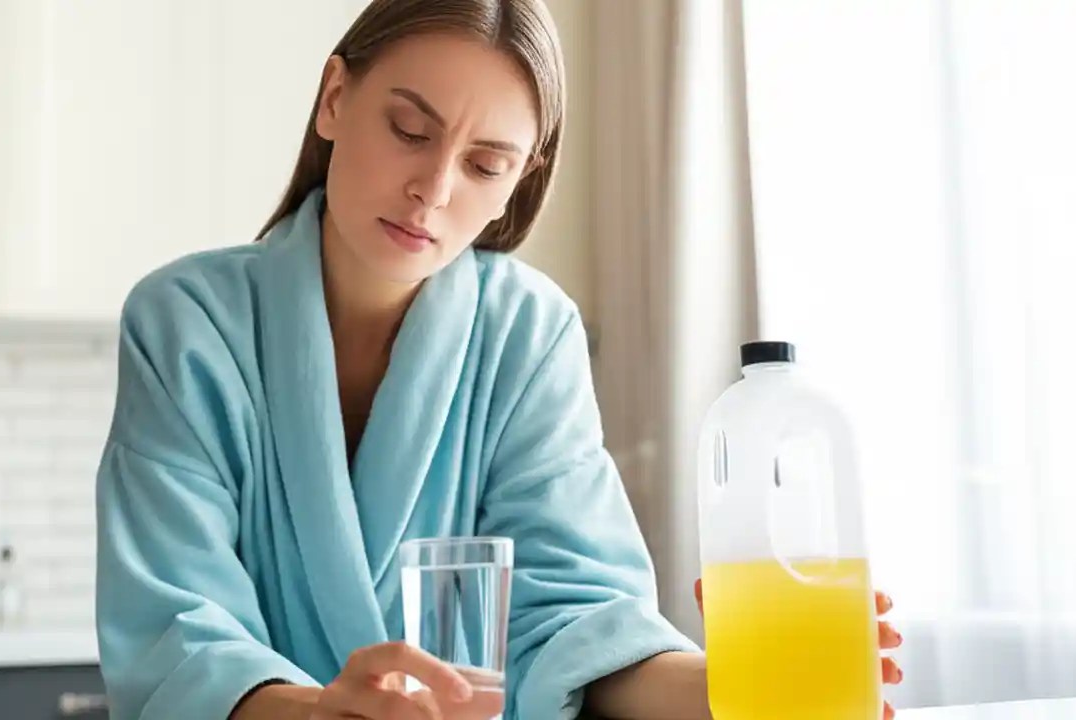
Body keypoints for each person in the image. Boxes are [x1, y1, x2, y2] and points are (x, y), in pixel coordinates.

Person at [94, 1, 904, 718]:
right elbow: (177, 629)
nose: (435, 188)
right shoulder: (187, 323)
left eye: (486, 164)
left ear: (521, 179)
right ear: (335, 98)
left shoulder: (530, 332)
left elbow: (578, 622)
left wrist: (744, 685)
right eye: (409, 130)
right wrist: (316, 711)